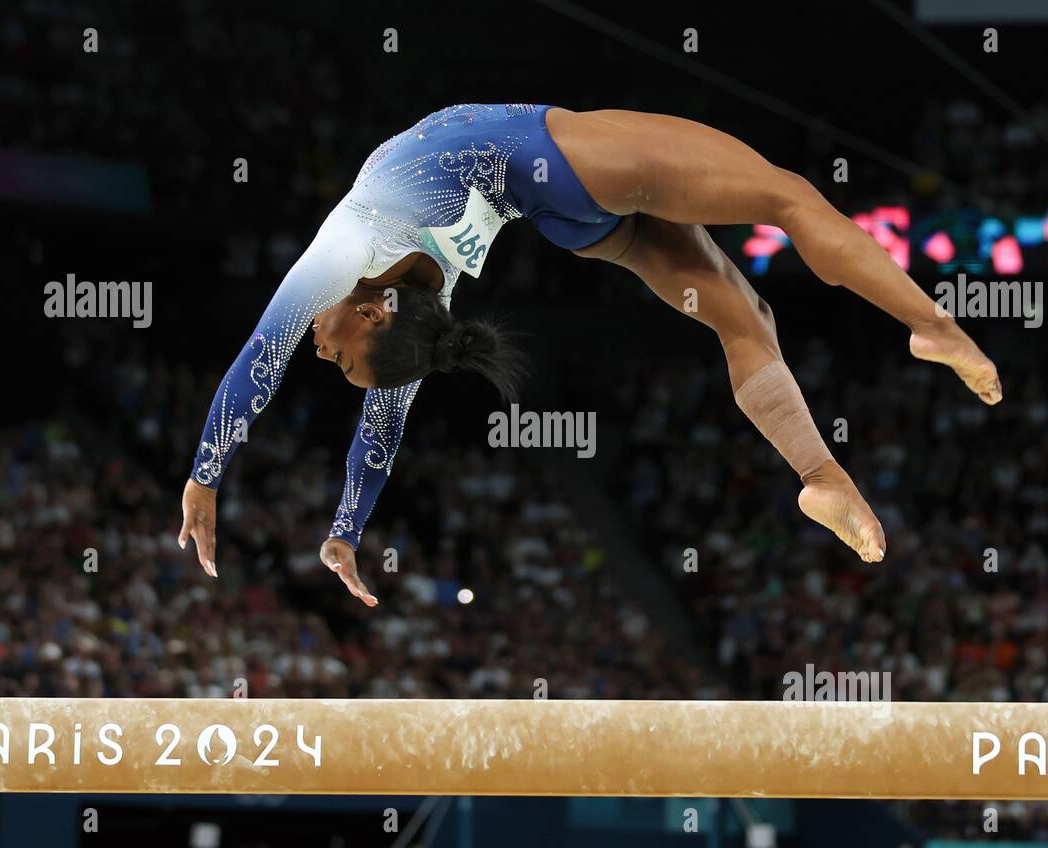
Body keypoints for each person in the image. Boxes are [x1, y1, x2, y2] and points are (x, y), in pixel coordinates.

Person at [178, 104, 1002, 601]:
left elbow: (269, 364)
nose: (323, 356)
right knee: (786, 195)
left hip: (569, 219)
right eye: (346, 364)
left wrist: (212, 478)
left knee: (743, 314)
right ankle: (934, 324)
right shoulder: (380, 270)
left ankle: (821, 477)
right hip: (566, 165)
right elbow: (343, 405)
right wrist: (340, 526)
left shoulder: (385, 273)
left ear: (376, 308)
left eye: (340, 360)